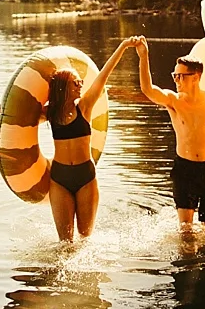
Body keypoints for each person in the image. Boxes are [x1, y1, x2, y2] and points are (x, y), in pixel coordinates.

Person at [43, 36, 142, 241]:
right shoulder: (49, 112)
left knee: (85, 238)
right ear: (63, 88)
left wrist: (123, 46)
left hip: (85, 176)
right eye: (75, 82)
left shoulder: (85, 107)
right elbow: (19, 117)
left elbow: (104, 75)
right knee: (65, 243)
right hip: (59, 178)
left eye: (80, 81)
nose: (80, 85)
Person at [135, 38, 205, 230]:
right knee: (186, 229)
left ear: (196, 77)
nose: (176, 80)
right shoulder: (173, 101)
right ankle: (187, 259)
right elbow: (147, 90)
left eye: (180, 76)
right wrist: (144, 56)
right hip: (185, 169)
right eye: (174, 75)